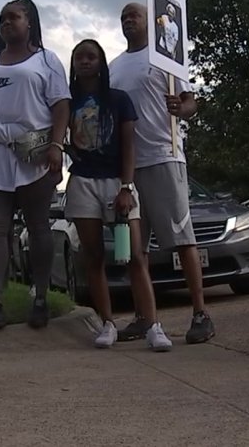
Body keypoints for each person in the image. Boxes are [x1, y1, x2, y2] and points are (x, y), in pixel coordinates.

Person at [0, 0, 69, 330]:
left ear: (29, 22)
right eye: (2, 19)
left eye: (13, 17)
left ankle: (41, 296)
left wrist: (56, 146)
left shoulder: (46, 60)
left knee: (38, 225)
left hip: (34, 152)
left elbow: (61, 105)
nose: (6, 23)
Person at [111, 2, 216, 345]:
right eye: (124, 16)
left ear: (149, 22)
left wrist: (181, 108)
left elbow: (191, 102)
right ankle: (144, 316)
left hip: (164, 157)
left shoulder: (165, 60)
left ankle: (200, 313)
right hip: (127, 168)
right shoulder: (114, 68)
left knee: (182, 239)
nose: (128, 20)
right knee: (133, 248)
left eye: (135, 15)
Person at [66, 39, 172, 350]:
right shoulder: (67, 102)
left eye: (91, 56)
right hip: (83, 182)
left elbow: (129, 146)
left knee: (134, 255)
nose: (85, 62)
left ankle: (152, 324)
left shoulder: (118, 99)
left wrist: (126, 187)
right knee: (94, 256)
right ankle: (108, 323)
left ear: (101, 62)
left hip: (116, 182)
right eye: (79, 57)